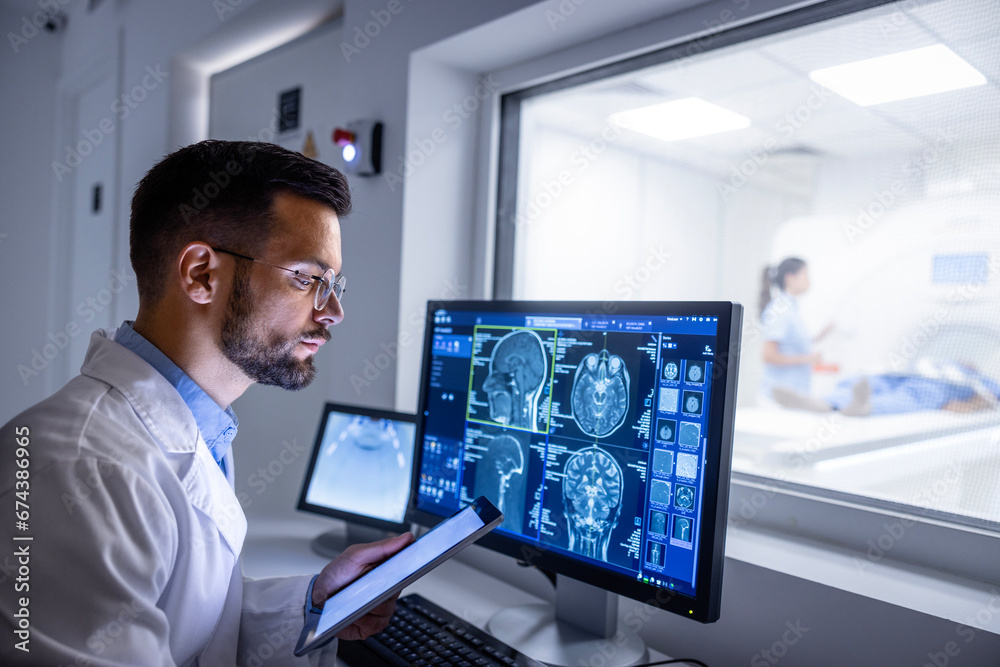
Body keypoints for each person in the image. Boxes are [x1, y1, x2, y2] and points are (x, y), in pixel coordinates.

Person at [0, 140, 414, 666]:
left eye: (334, 284)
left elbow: (190, 630)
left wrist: (312, 604)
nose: (332, 311)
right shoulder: (82, 470)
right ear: (201, 274)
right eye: (307, 279)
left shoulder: (193, 429)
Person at [772, 360, 1000, 416]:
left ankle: (861, 407)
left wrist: (967, 405)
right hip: (908, 375)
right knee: (869, 381)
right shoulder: (952, 363)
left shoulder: (987, 384)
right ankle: (818, 401)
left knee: (903, 399)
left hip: (933, 392)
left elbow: (989, 401)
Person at [758, 257, 832, 402]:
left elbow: (794, 343)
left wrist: (824, 333)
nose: (809, 281)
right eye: (805, 275)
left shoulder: (791, 309)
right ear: (790, 278)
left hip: (794, 395)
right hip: (779, 399)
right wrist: (810, 358)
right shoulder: (780, 310)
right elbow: (768, 355)